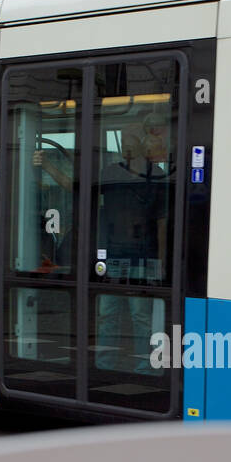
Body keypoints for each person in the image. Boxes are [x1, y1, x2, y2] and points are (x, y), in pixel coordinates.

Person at [95, 114, 172, 373]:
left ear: (140, 144)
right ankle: (103, 366)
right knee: (107, 315)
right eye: (123, 142)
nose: (125, 147)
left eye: (130, 140)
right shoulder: (110, 173)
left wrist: (160, 260)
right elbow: (79, 193)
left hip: (144, 256)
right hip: (114, 256)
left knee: (141, 317)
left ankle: (145, 368)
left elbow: (162, 224)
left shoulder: (158, 176)